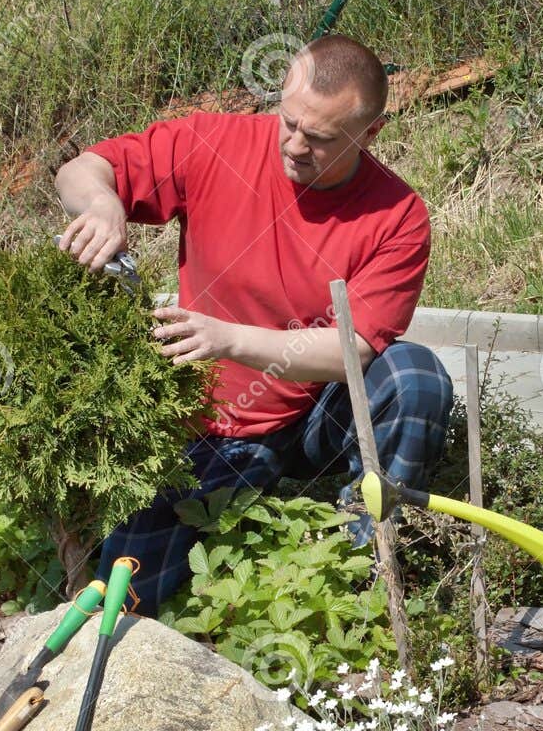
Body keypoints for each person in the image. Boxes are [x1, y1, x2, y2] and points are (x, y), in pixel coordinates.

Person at [54, 33, 453, 617]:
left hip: (316, 413)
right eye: (287, 122)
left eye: (318, 138)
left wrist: (230, 339)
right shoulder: (214, 143)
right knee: (128, 594)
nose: (293, 145)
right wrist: (102, 203)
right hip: (214, 425)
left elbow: (356, 350)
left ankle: (362, 563)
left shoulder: (396, 215)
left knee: (415, 378)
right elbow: (81, 170)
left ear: (370, 135)